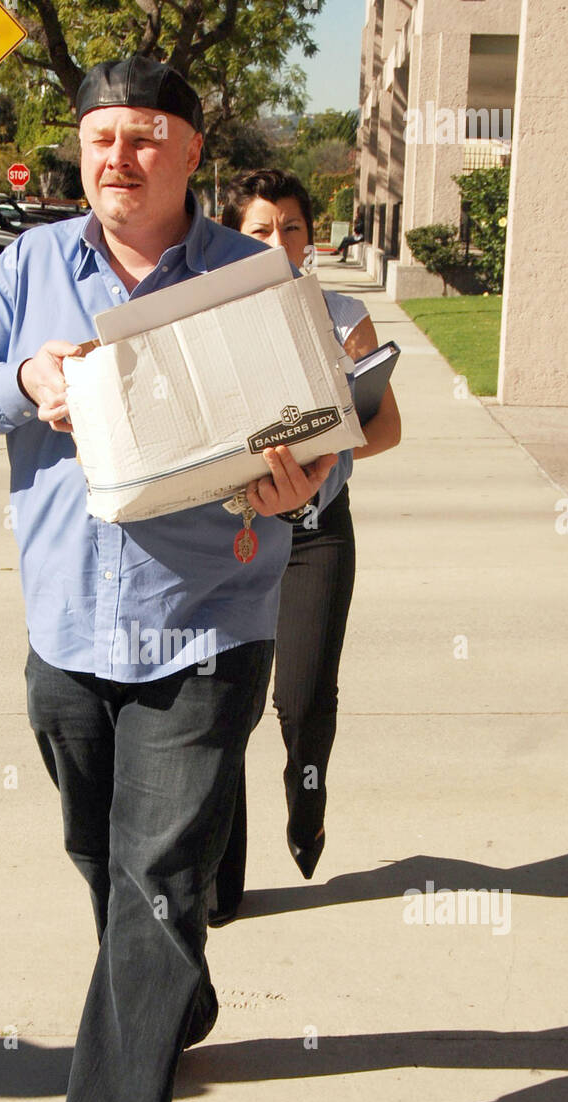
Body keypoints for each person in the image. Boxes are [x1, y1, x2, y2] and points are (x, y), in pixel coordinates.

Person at [0, 61, 339, 1102]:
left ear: (192, 154)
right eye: (101, 137)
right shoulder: (27, 270)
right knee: (107, 866)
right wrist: (20, 378)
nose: (117, 158)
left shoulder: (251, 280)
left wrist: (303, 478)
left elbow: (322, 440)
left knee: (153, 880)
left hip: (205, 629)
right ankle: (176, 984)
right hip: (66, 628)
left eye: (144, 138)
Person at [212, 170, 400, 924]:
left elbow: (386, 427)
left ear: (310, 237)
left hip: (318, 533)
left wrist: (324, 448)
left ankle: (306, 795)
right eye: (260, 229)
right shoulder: (211, 316)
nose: (278, 242)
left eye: (291, 227)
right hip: (229, 537)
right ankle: (220, 883)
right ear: (234, 237)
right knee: (223, 711)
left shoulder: (343, 315)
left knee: (302, 700)